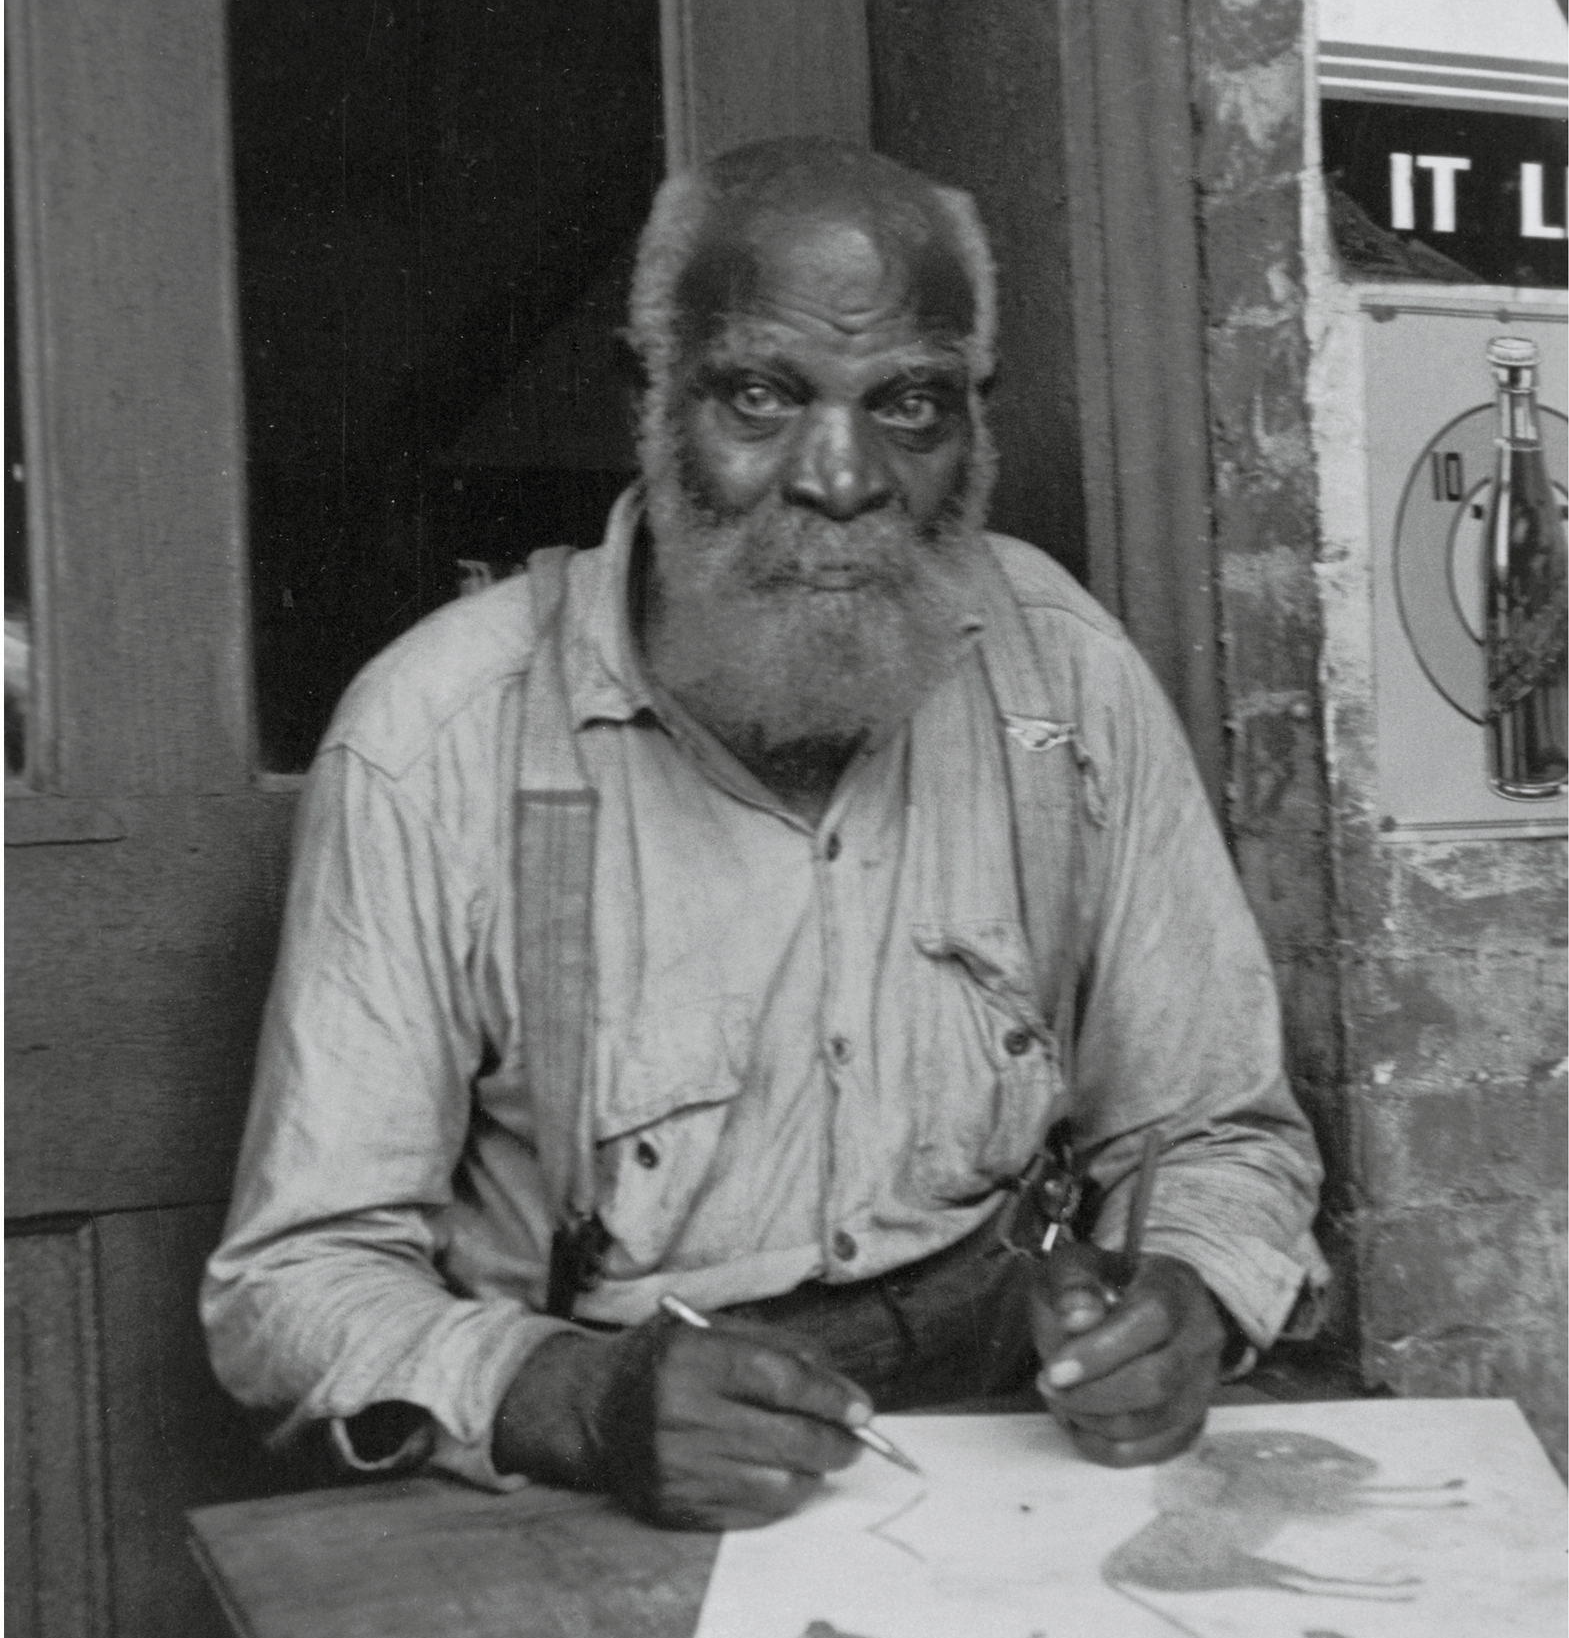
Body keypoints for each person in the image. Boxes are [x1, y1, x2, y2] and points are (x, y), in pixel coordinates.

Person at [201, 138, 1326, 1531]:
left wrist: (1188, 1294)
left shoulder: (1060, 678)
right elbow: (291, 1292)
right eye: (760, 395)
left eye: (905, 404)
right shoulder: (443, 737)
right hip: (599, 1481)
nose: (839, 476)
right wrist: (580, 1403)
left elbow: (1214, 1129)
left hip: (1009, 1448)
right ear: (651, 402)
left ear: (975, 420)